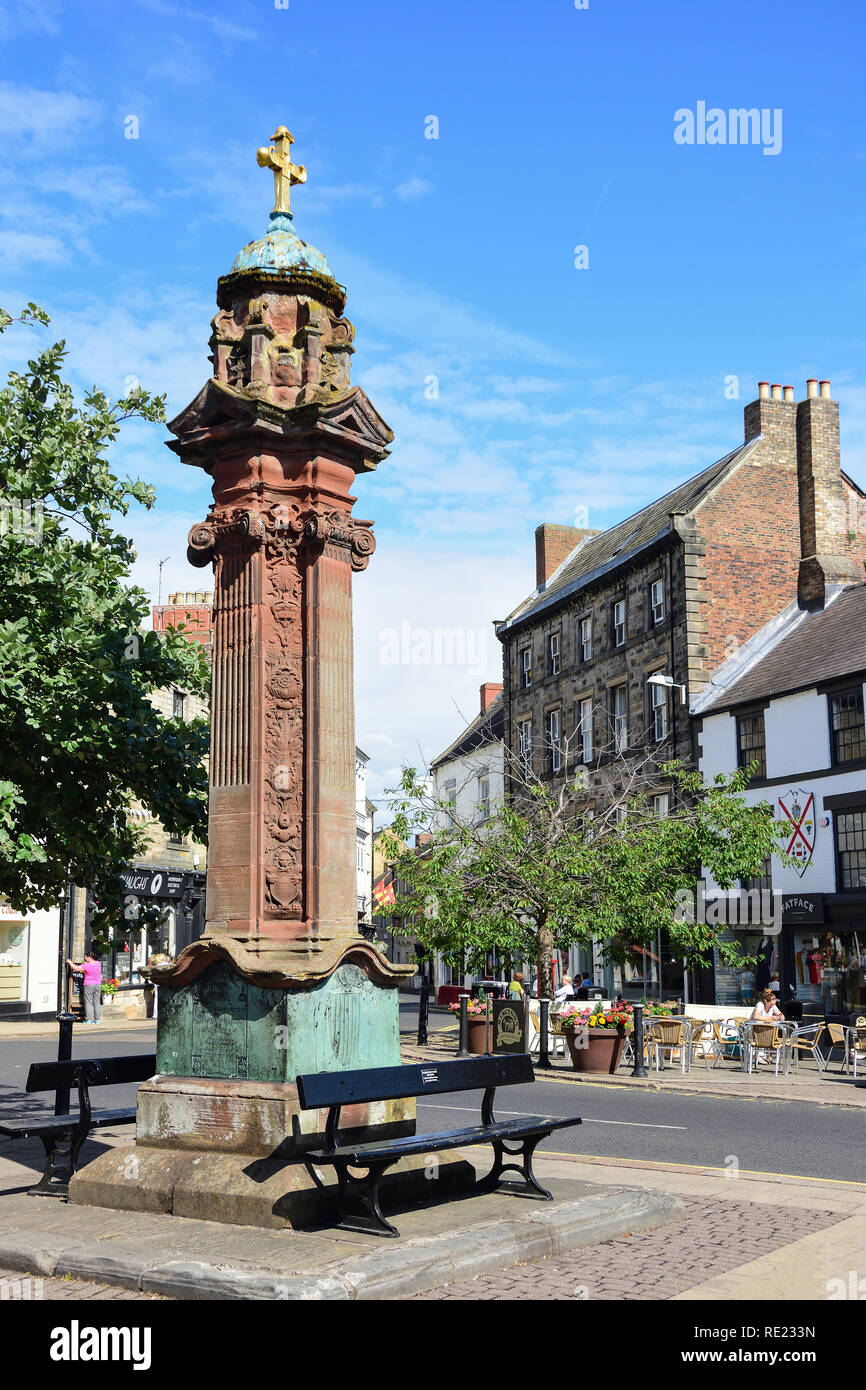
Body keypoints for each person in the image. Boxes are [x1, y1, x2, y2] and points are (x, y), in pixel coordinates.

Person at [67, 951, 103, 1023]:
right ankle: (97, 1019)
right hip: (98, 984)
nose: (84, 958)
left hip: (89, 984)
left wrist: (69, 962)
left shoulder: (86, 965)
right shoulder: (98, 963)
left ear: (89, 957)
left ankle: (89, 1019)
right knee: (97, 1002)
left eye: (85, 957)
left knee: (89, 1002)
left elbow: (76, 968)